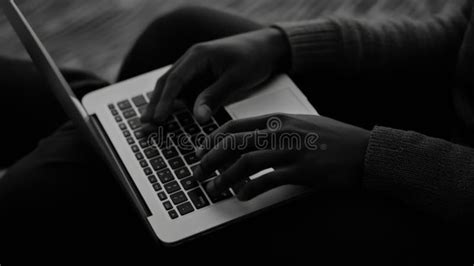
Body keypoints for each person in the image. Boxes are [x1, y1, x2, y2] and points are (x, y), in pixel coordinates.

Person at [0, 2, 473, 262]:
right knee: (183, 34)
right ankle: (105, 177)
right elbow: (456, 36)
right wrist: (281, 43)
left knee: (54, 193)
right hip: (438, 117)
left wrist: (373, 154)